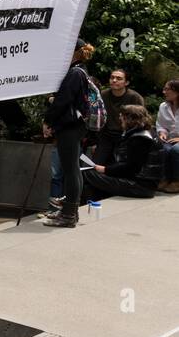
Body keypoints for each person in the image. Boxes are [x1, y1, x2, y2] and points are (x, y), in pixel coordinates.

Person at [42, 41, 95, 228]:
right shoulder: (81, 71)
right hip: (75, 126)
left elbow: (63, 101)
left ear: (74, 53)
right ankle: (70, 211)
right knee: (72, 169)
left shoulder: (74, 73)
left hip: (69, 127)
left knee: (70, 170)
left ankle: (69, 214)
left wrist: (48, 120)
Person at [83, 105, 162, 201]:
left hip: (140, 186)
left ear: (129, 119)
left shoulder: (140, 139)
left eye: (122, 118)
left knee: (89, 174)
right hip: (140, 182)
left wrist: (105, 169)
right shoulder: (147, 132)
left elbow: (131, 167)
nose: (120, 120)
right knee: (93, 180)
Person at [95, 70, 145, 165]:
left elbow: (141, 121)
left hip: (126, 137)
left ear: (126, 82)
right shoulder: (103, 95)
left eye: (119, 78)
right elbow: (98, 117)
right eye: (112, 77)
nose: (114, 80)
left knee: (119, 166)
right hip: (106, 136)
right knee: (95, 165)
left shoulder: (135, 97)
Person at [158, 79, 179, 194]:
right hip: (170, 139)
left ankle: (177, 181)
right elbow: (161, 124)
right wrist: (162, 133)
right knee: (164, 149)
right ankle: (164, 179)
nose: (164, 92)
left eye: (167, 89)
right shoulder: (163, 106)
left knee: (176, 150)